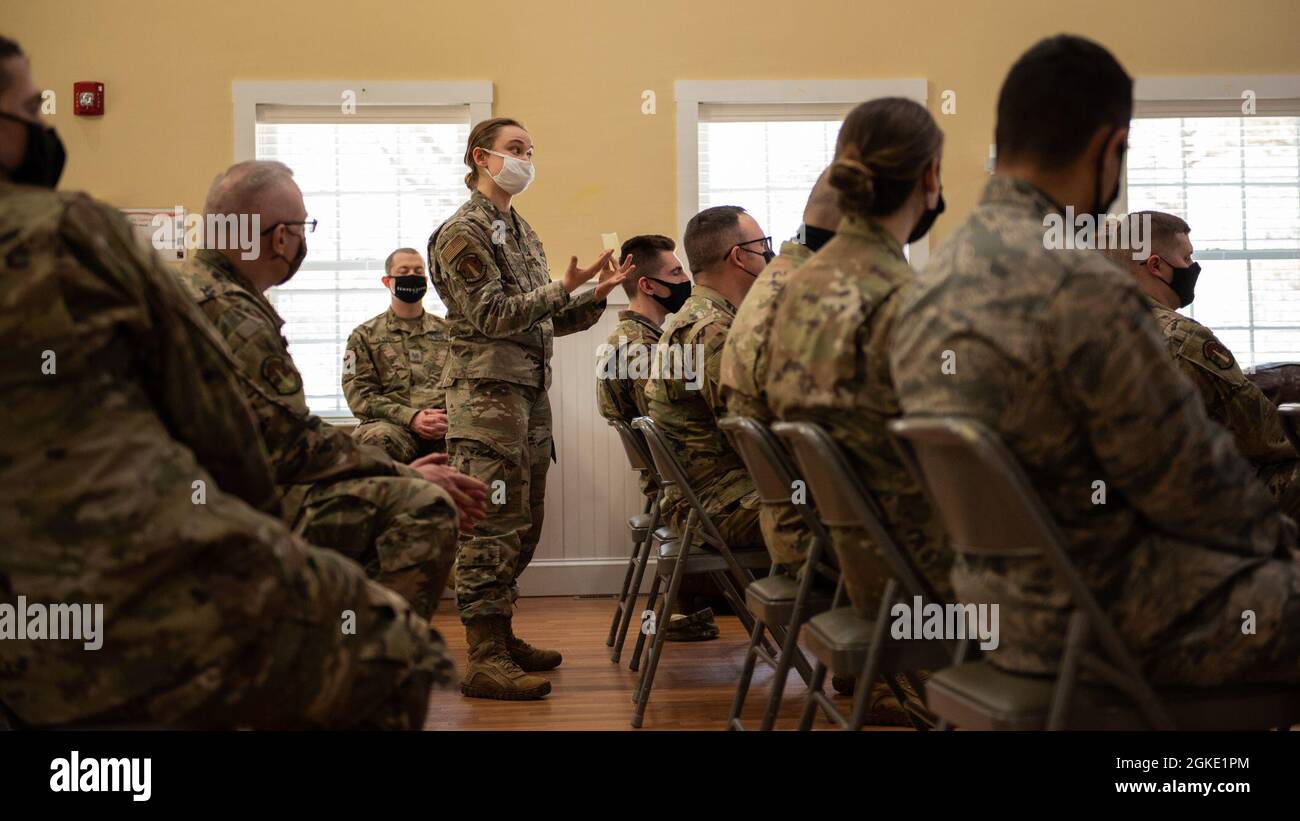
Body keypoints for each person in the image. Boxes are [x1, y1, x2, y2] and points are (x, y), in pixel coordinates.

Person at [0, 34, 447, 729]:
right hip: (114, 567)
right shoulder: (75, 234)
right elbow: (244, 449)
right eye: (32, 106)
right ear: (277, 238)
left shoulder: (184, 277)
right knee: (398, 638)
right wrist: (399, 468)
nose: (47, 122)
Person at [890, 34, 1300, 686]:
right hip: (1108, 622)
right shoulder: (1086, 290)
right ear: (1110, 148)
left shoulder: (925, 289)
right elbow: (1204, 495)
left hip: (989, 615)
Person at [181, 161, 487, 622]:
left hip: (200, 488)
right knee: (422, 507)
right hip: (213, 503)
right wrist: (405, 476)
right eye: (304, 228)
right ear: (281, 238)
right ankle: (370, 666)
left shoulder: (185, 288)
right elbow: (294, 447)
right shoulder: (233, 314)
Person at [429, 117, 631, 699]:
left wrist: (593, 297)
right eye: (515, 149)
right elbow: (491, 316)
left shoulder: (520, 229)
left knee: (524, 521)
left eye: (531, 150)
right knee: (490, 527)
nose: (526, 159)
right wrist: (560, 290)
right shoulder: (460, 232)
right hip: (484, 401)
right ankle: (485, 655)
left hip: (526, 397)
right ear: (480, 157)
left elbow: (541, 318)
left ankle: (503, 633)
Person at [764, 98, 951, 724]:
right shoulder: (905, 302)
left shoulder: (793, 287)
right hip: (930, 576)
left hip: (856, 561)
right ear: (929, 179)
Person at [1104, 211, 1300, 516]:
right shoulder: (1180, 338)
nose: (1192, 268)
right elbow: (1265, 435)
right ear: (1156, 266)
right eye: (1187, 258)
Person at [596, 233, 718, 642]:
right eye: (677, 272)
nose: (687, 280)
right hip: (676, 488)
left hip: (666, 484)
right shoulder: (641, 348)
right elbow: (672, 429)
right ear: (648, 285)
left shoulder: (632, 340)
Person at [719, 168, 840, 571]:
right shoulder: (808, 299)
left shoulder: (752, 306)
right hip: (813, 535)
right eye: (761, 244)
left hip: (784, 519)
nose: (770, 251)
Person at [645, 206, 770, 551]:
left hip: (713, 496)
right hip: (719, 506)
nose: (769, 255)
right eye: (763, 245)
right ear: (740, 257)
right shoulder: (711, 330)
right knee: (855, 505)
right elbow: (760, 433)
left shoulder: (701, 318)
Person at [345, 247, 451, 462]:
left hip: (446, 426)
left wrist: (445, 419)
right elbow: (360, 395)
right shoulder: (364, 336)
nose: (412, 276)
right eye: (404, 272)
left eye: (418, 272)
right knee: (375, 440)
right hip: (393, 427)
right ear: (387, 281)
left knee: (482, 440)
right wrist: (411, 417)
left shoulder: (451, 333)